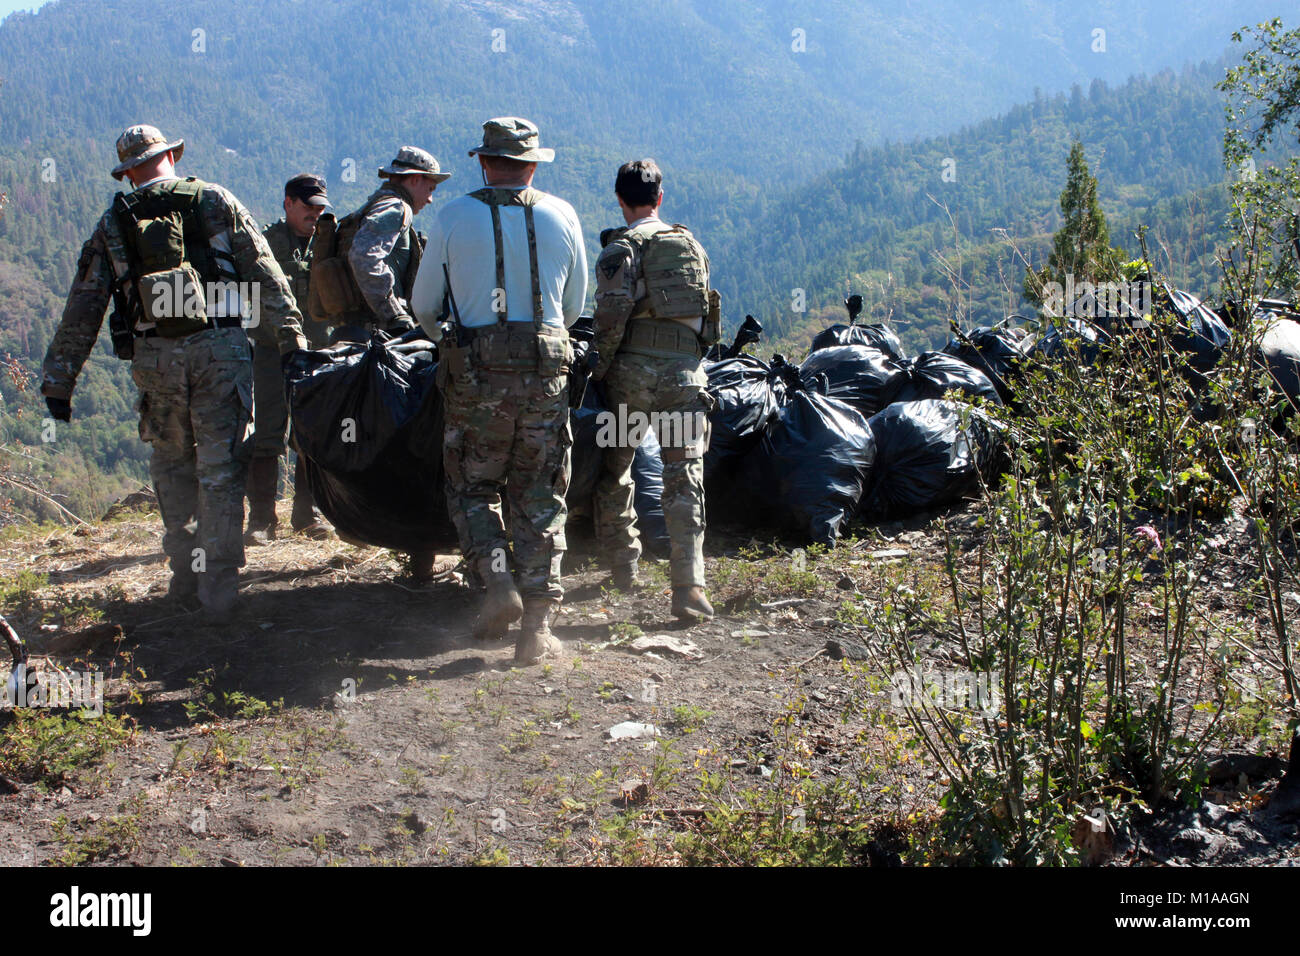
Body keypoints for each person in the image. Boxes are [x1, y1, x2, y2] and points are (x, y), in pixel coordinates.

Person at [40, 124, 308, 617]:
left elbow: (85, 303)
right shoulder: (215, 200)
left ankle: (185, 572)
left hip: (156, 356)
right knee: (221, 467)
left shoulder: (113, 223)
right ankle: (219, 588)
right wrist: (293, 338)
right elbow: (265, 272)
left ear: (128, 172)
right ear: (170, 156)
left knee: (171, 462)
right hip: (221, 349)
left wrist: (60, 379)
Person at [411, 116, 587, 665]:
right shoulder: (564, 215)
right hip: (546, 376)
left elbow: (422, 306)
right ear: (533, 166)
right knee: (539, 492)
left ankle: (496, 585)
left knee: (471, 485)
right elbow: (575, 308)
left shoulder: (453, 215)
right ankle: (537, 627)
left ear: (483, 163)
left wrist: (452, 341)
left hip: (476, 378)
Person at [590, 159, 718, 623]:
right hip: (685, 376)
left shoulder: (619, 250)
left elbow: (610, 318)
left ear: (620, 200)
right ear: (660, 197)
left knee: (615, 468)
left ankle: (623, 567)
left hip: (631, 378)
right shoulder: (691, 245)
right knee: (685, 477)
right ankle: (690, 587)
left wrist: (596, 370)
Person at [246, 173, 333, 544]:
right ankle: (262, 519)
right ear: (288, 203)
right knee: (268, 434)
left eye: (319, 206)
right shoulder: (262, 244)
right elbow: (245, 300)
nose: (315, 212)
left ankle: (307, 513)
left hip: (318, 353)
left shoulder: (329, 244)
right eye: (308, 205)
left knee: (312, 434)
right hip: (271, 352)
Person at [332, 146, 448, 344]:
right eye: (430, 189)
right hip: (378, 334)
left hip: (356, 330)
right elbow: (364, 256)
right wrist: (394, 314)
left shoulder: (373, 206)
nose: (430, 199)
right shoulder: (396, 207)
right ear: (415, 179)